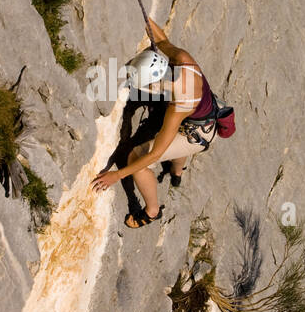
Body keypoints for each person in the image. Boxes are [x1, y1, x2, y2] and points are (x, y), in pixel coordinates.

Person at [91, 18, 217, 227]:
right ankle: (176, 173)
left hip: (196, 132)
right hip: (205, 115)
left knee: (137, 161)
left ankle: (152, 211)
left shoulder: (179, 107)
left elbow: (155, 154)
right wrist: (144, 19)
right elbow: (162, 40)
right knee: (178, 146)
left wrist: (117, 175)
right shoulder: (182, 59)